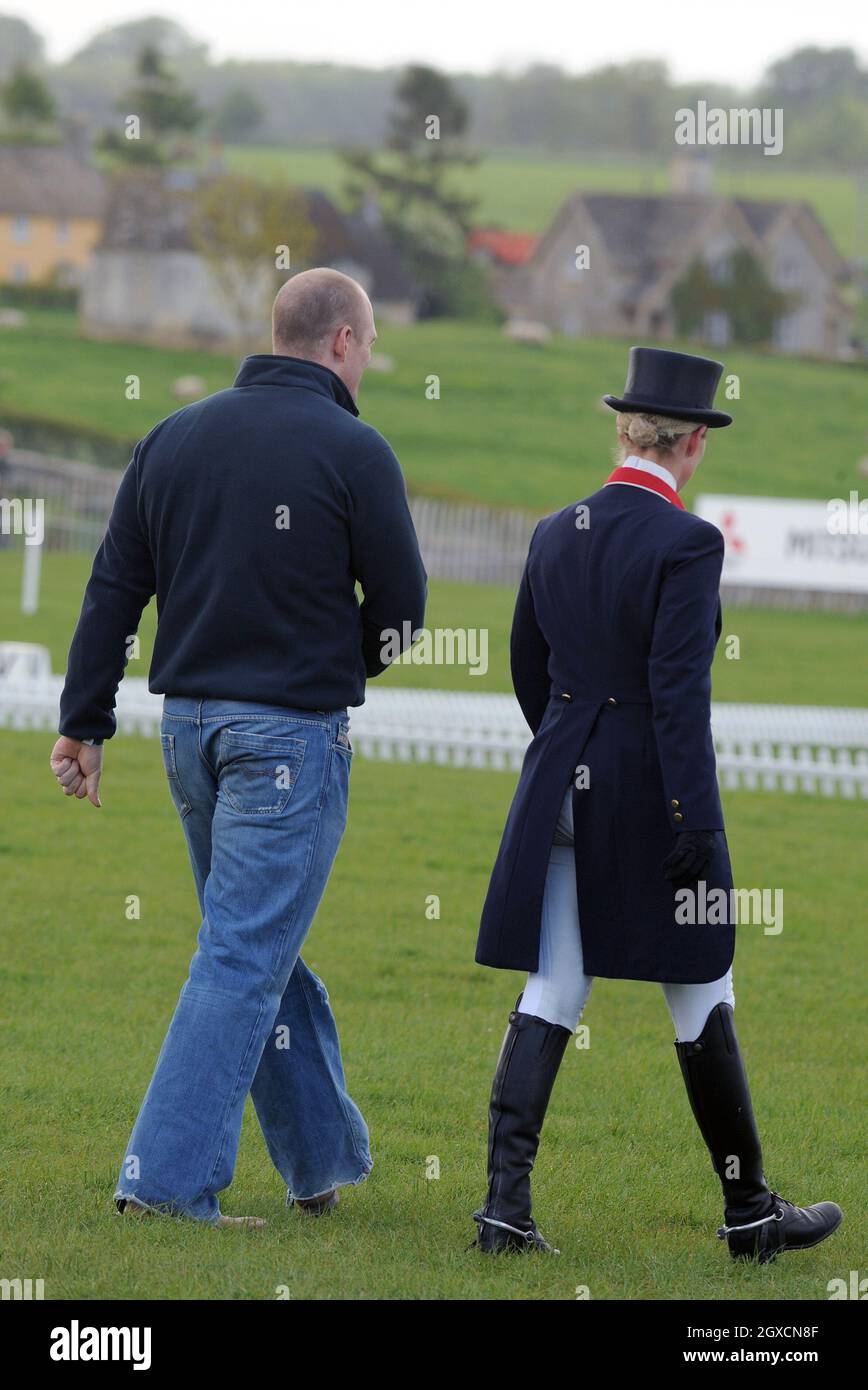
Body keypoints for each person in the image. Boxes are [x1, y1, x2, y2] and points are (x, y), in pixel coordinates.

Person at [50, 268, 427, 1228]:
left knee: (258, 951)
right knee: (240, 959)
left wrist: (84, 720)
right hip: (288, 740)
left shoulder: (172, 437)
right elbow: (405, 609)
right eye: (372, 341)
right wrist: (334, 671)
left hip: (189, 735)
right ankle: (165, 1185)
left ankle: (318, 1163)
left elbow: (111, 587)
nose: (371, 358)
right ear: (342, 340)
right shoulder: (356, 448)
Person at [472, 347, 842, 1263]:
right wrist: (695, 822)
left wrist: (571, 748)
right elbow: (680, 699)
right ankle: (751, 1212)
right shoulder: (688, 542)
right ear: (694, 446)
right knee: (704, 988)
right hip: (647, 792)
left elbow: (529, 669)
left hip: (555, 782)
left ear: (625, 431)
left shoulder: (556, 528)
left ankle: (503, 1212)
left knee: (553, 983)